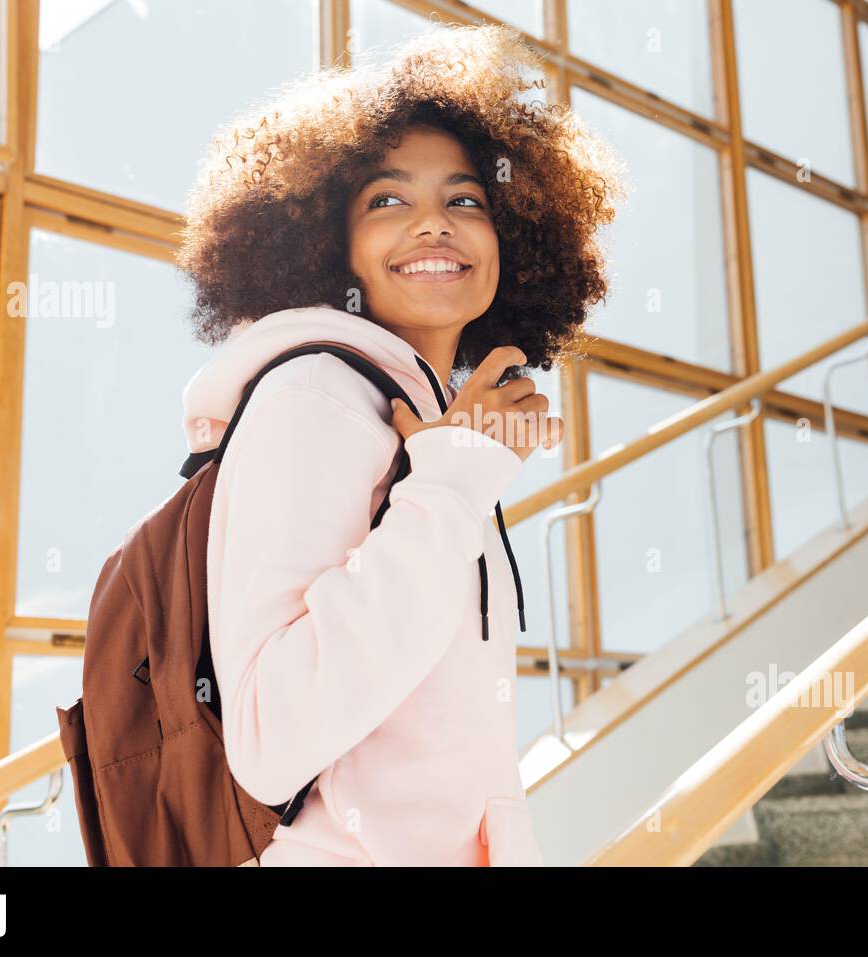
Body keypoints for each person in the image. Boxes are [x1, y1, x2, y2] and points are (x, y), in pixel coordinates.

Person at [175, 23, 624, 866]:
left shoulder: (418, 415)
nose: (433, 226)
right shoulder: (316, 399)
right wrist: (451, 484)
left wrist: (453, 467)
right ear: (323, 244)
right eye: (387, 200)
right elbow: (270, 734)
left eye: (466, 200)